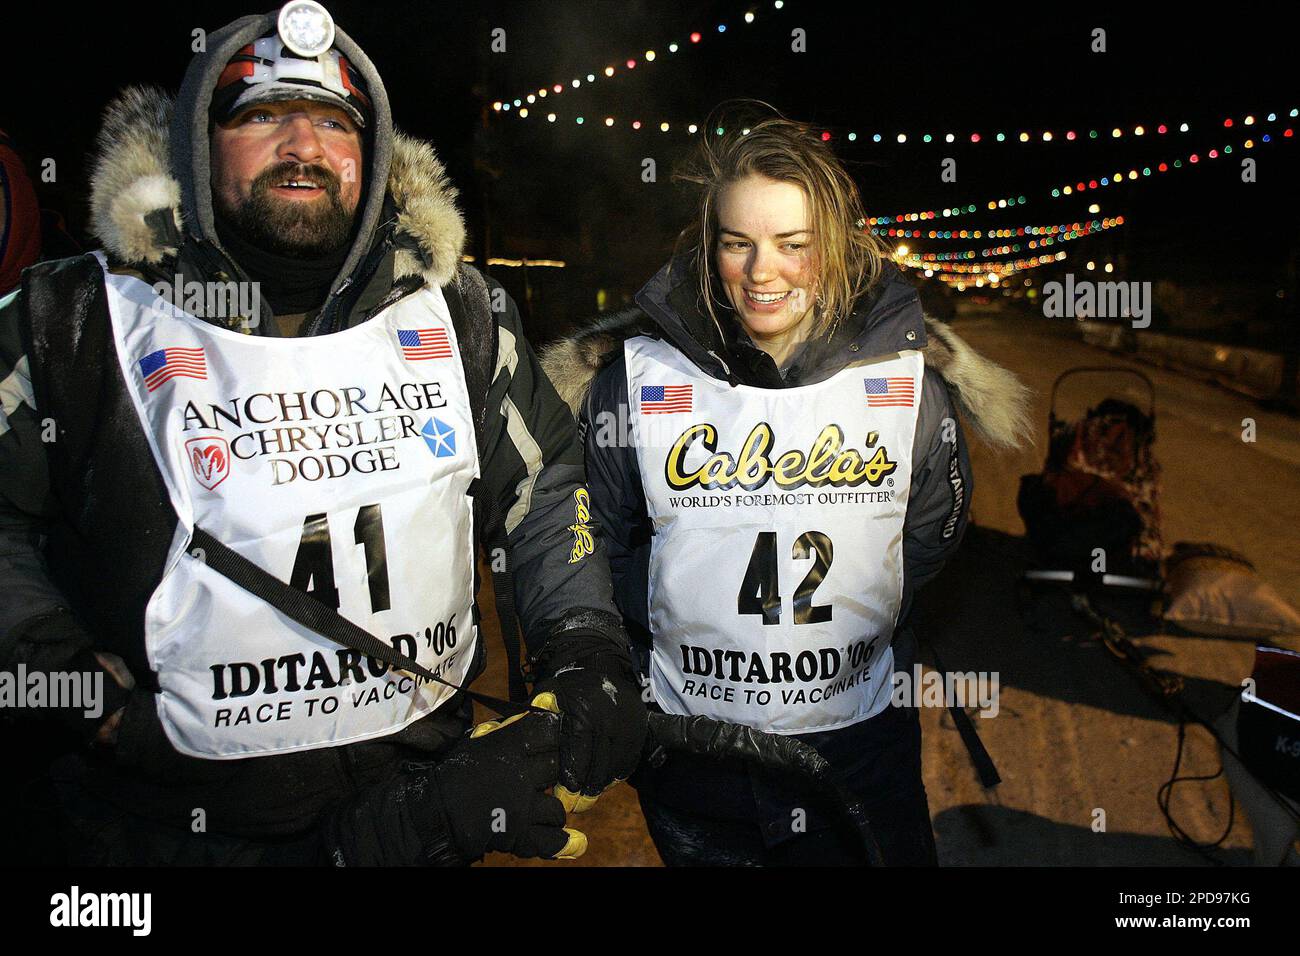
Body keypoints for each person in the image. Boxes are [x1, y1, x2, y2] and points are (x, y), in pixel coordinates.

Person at [0, 2, 645, 866]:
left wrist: (582, 640)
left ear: (370, 157)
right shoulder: (68, 318)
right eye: (262, 115)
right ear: (200, 141)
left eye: (333, 121)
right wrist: (64, 682)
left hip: (421, 810)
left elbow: (544, 489)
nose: (302, 144)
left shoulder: (462, 313)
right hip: (157, 830)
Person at [542, 108, 1032, 865]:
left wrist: (852, 631)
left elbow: (931, 536)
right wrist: (673, 634)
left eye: (792, 246)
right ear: (711, 250)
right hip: (693, 749)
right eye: (738, 244)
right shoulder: (636, 378)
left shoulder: (906, 380)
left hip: (858, 749)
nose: (762, 272)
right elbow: (603, 539)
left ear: (833, 249)